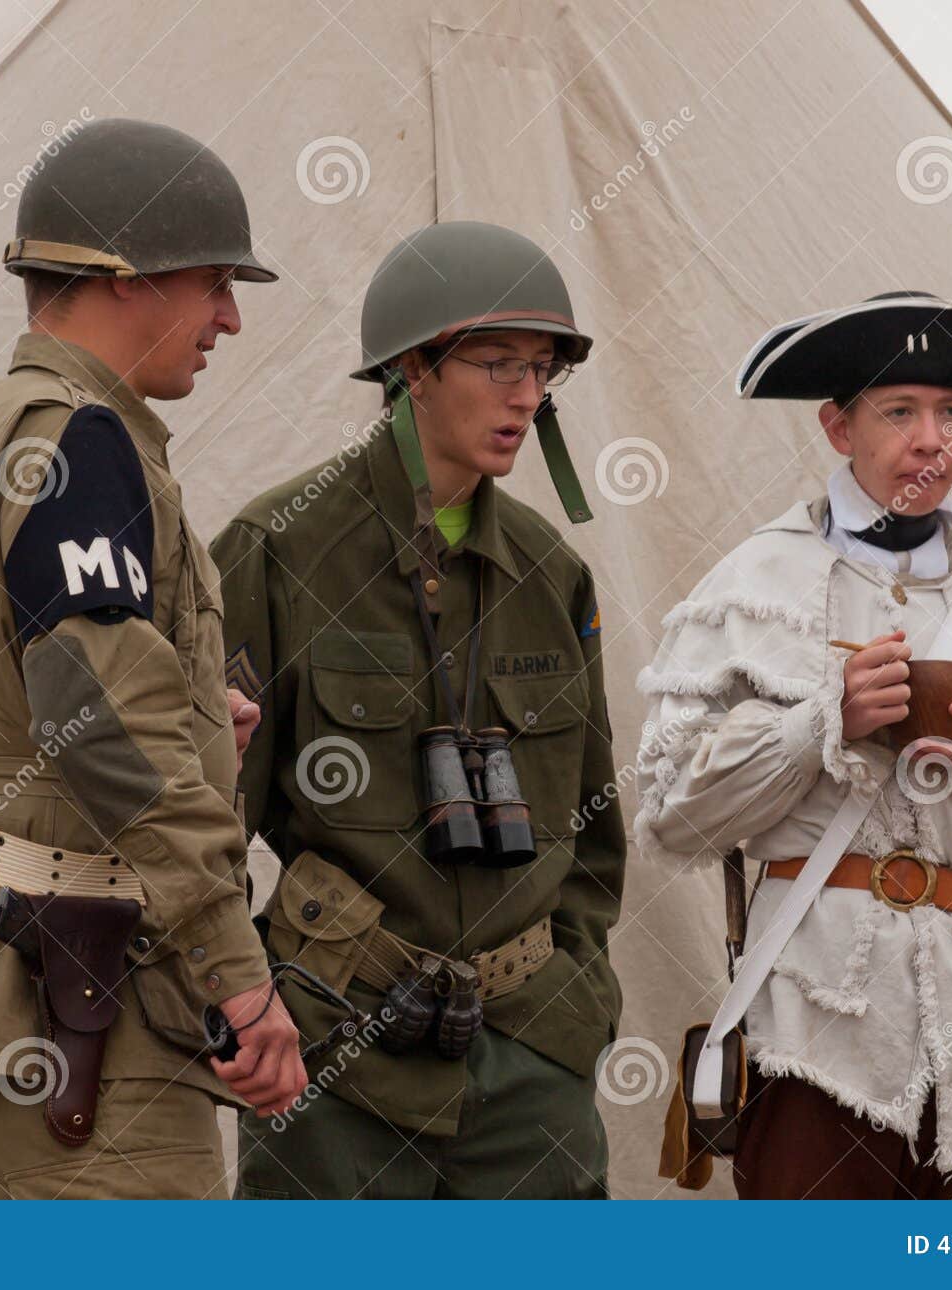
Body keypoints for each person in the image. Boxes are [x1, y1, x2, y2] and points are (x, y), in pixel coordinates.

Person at [0, 118, 306, 1199]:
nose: (229, 317)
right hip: (66, 984)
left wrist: (191, 720)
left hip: (19, 970)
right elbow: (87, 707)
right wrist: (238, 972)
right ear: (126, 275)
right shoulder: (78, 439)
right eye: (215, 281)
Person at [638, 292, 952, 1199]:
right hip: (812, 1027)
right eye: (901, 411)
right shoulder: (759, 578)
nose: (932, 440)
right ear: (839, 426)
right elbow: (673, 808)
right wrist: (818, 722)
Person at [208, 220, 625, 1198]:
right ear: (412, 370)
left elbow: (594, 829)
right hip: (337, 1054)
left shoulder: (549, 572)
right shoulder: (276, 550)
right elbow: (210, 819)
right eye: (496, 364)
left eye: (542, 368)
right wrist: (243, 995)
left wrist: (579, 1006)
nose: (525, 394)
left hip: (530, 1059)